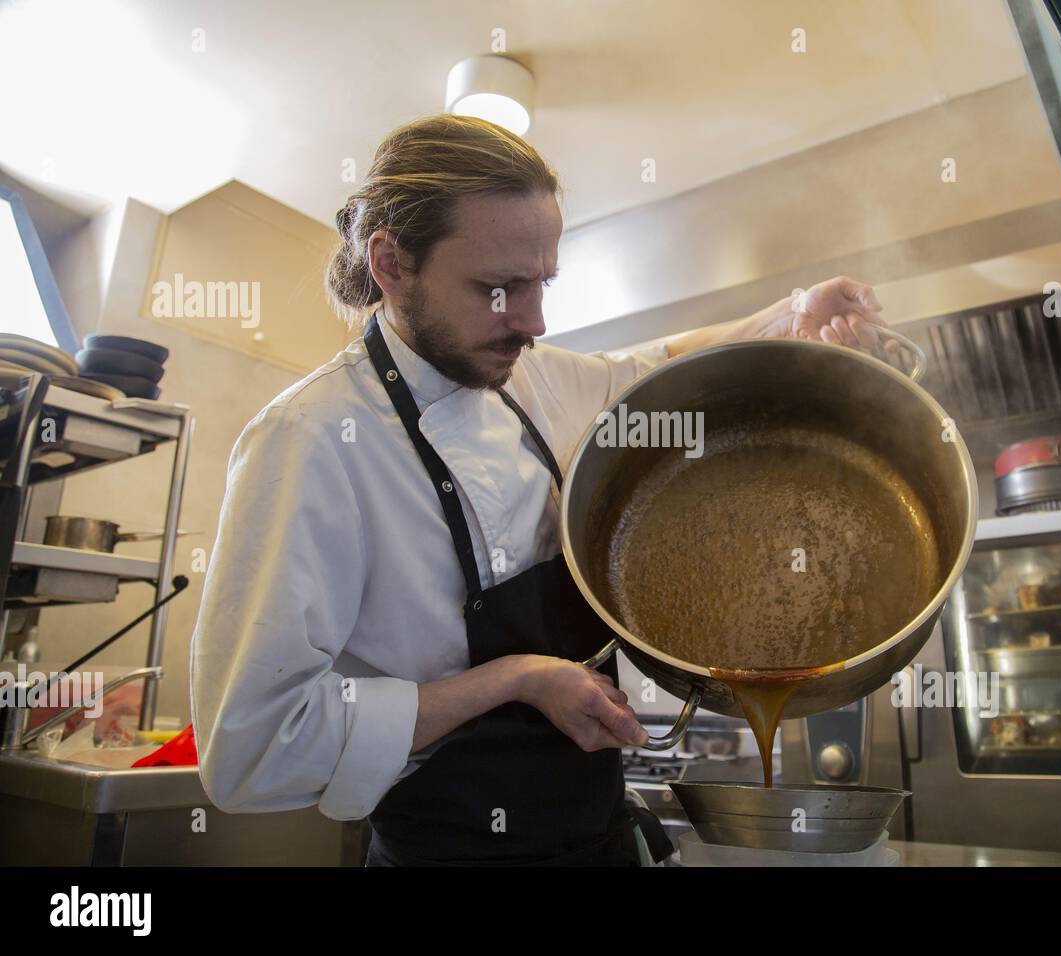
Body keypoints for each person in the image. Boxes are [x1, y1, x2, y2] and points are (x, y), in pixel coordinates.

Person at [190, 113, 891, 866]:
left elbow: (651, 367)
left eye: (541, 282)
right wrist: (515, 680)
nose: (533, 320)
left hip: (595, 839)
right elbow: (252, 749)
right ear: (391, 265)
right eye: (498, 288)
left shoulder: (532, 378)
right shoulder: (310, 439)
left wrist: (790, 314)